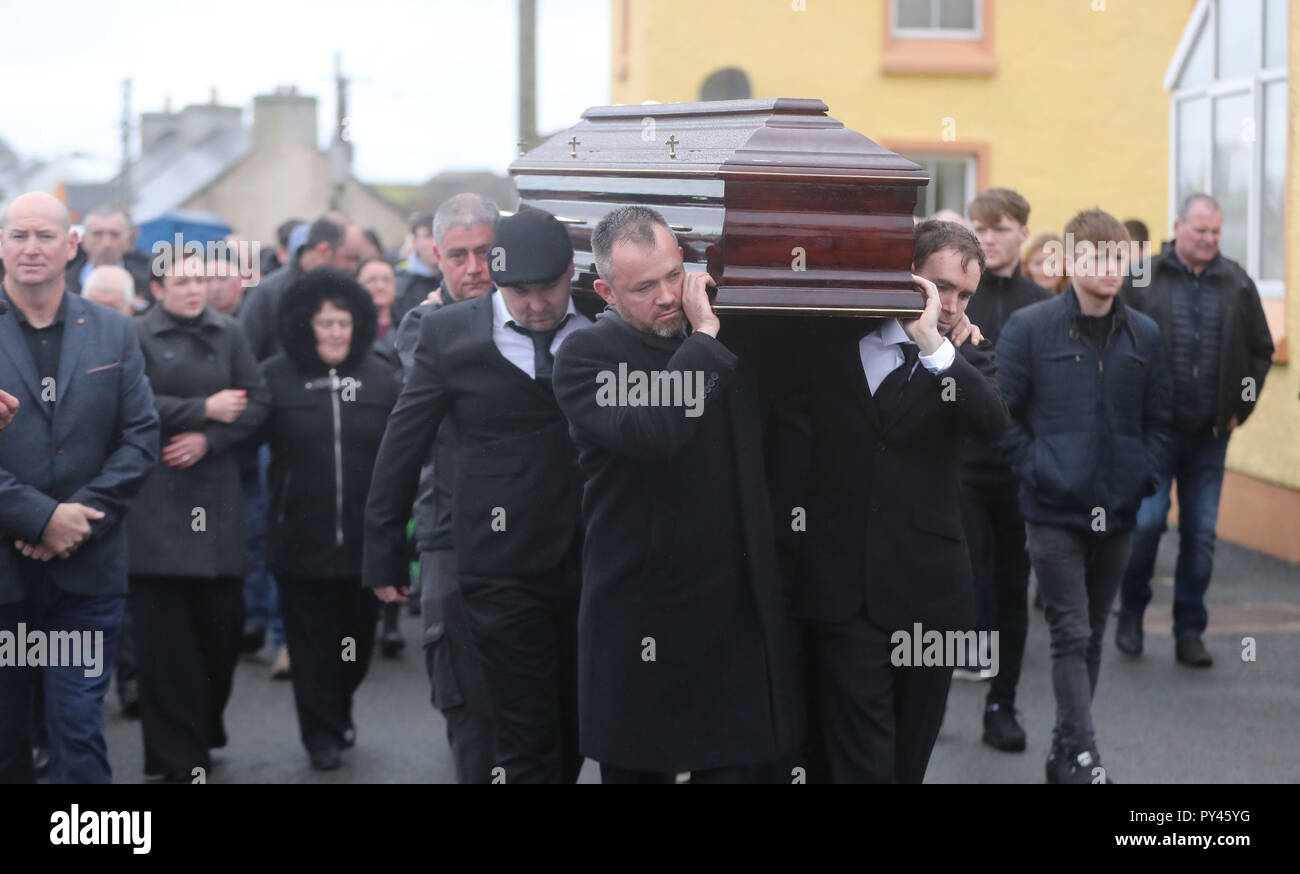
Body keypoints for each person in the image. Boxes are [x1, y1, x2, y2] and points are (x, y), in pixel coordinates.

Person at [552, 206, 802, 784]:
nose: (669, 296)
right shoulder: (586, 357)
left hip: (733, 614)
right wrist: (708, 334)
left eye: (674, 273)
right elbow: (656, 429)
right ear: (605, 292)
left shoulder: (725, 336)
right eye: (645, 287)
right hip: (641, 619)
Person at [775, 219, 1007, 784]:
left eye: (964, 294)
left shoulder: (964, 357)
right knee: (861, 760)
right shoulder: (833, 342)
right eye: (940, 286)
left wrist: (934, 344)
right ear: (906, 276)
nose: (950, 304)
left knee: (908, 762)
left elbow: (993, 424)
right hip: (843, 594)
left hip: (929, 596)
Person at [365, 208, 590, 784]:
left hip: (590, 558)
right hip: (497, 562)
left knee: (576, 725)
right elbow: (402, 444)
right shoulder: (448, 334)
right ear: (497, 279)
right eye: (519, 292)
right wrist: (385, 548)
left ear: (573, 275)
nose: (536, 305)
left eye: (548, 290)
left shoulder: (601, 325)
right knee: (522, 731)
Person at [996, 207, 1171, 783]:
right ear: (1070, 261)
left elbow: (1159, 421)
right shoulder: (1030, 327)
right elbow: (1002, 417)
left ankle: (1063, 753)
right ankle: (1087, 755)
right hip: (1052, 510)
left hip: (1116, 510)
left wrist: (1141, 477)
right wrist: (1039, 468)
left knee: (1091, 635)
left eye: (1118, 257)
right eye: (1096, 256)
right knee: (1070, 631)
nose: (1109, 268)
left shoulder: (1144, 334)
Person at [0, 191, 160, 783]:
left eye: (45, 236)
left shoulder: (115, 332)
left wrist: (77, 518)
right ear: (1, 245)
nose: (31, 248)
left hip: (87, 571)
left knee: (78, 733)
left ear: (73, 246)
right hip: (4, 573)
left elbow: (141, 437)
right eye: (18, 235)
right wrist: (40, 517)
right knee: (8, 744)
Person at [126, 242, 269, 781]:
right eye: (181, 282)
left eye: (200, 281)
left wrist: (208, 439)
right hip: (157, 500)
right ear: (158, 289)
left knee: (221, 631)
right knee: (165, 647)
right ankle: (175, 756)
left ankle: (203, 727)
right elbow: (131, 401)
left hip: (217, 497)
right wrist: (202, 409)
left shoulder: (229, 332)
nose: (194, 291)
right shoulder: (137, 335)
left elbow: (258, 402)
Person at [1117, 194, 1274, 667]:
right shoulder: (1143, 275)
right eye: (1200, 230)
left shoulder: (1238, 281)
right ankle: (1131, 613)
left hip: (1210, 436)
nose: (1208, 240)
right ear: (1178, 225)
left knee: (1201, 535)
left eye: (1215, 233)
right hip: (1155, 434)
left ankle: (1189, 632)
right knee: (1145, 526)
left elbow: (1260, 351)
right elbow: (1113, 338)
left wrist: (1240, 410)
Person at [260, 268, 401, 771]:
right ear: (306, 324)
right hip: (298, 543)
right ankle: (320, 734)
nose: (336, 331)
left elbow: (403, 456)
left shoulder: (382, 376)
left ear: (358, 323)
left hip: (364, 549)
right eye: (325, 322)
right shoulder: (275, 376)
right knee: (311, 647)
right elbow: (240, 436)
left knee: (354, 648)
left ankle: (340, 712)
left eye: (343, 322)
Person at [387, 193, 499, 783]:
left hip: (527, 528)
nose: (474, 268)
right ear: (436, 257)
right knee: (465, 697)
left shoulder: (526, 312)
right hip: (449, 529)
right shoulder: (419, 324)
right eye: (458, 256)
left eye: (485, 252)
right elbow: (466, 385)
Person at [959, 189, 1053, 750]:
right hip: (958, 467)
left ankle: (1002, 703)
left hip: (1017, 472)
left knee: (1012, 587)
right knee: (959, 582)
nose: (988, 238)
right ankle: (929, 705)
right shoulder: (952, 299)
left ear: (1022, 232)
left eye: (999, 228)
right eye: (979, 228)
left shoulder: (1039, 304)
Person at [239, 215, 367, 362]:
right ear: (324, 251)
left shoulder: (352, 291)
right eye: (350, 258)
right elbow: (245, 356)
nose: (354, 266)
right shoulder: (268, 293)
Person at [66, 204, 153, 309]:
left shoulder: (148, 283)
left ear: (128, 241)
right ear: (84, 240)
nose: (107, 243)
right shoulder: (61, 283)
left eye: (115, 234)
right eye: (97, 234)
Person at [395, 212, 443, 314]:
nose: (435, 242)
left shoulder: (453, 278)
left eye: (438, 235)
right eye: (428, 236)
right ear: (414, 242)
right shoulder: (400, 283)